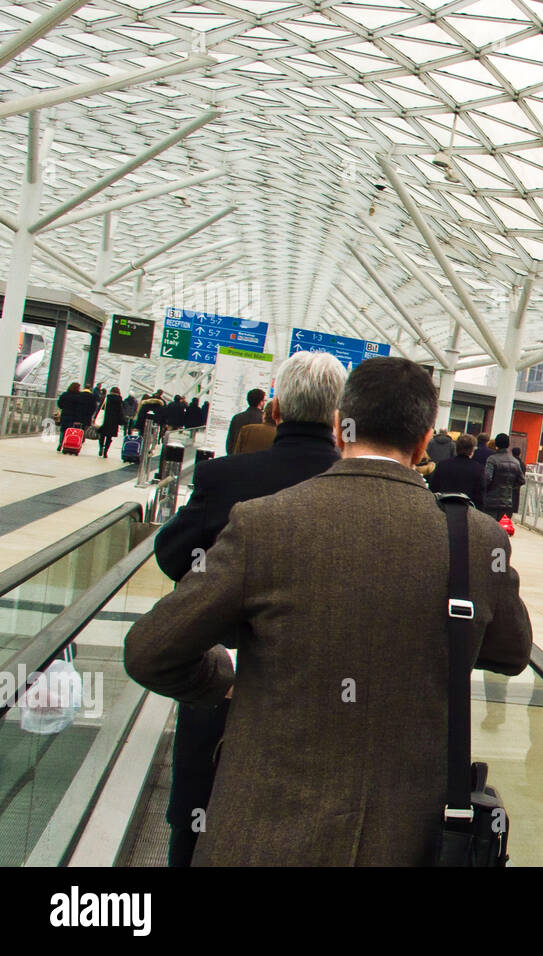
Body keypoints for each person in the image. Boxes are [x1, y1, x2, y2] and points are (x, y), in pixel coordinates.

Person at [124, 356, 533, 866]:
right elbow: (512, 653)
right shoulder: (474, 538)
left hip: (259, 833)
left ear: (341, 426)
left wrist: (224, 678)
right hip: (407, 839)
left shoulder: (263, 523)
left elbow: (149, 651)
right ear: (425, 440)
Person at [148, 350, 348, 867]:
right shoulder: (357, 492)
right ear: (337, 419)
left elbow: (174, 555)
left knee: (199, 820)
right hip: (324, 701)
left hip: (228, 692)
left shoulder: (225, 480)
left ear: (275, 410)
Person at [426, 432, 485, 509]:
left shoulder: (443, 465)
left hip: (443, 507)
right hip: (466, 510)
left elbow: (433, 487)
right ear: (472, 450)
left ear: (457, 447)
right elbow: (479, 495)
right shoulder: (478, 469)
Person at [483, 433, 525, 520]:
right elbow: (521, 480)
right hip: (507, 502)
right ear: (508, 444)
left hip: (492, 501)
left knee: (490, 528)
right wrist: (510, 487)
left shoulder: (492, 459)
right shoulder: (515, 462)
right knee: (503, 529)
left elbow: (487, 478)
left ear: (496, 444)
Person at [225, 388, 266, 455]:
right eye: (264, 400)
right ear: (260, 402)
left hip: (236, 458)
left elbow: (229, 443)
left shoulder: (237, 418)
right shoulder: (263, 419)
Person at [55, 382, 84, 451]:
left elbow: (59, 404)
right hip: (74, 416)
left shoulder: (65, 394)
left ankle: (61, 443)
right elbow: (81, 408)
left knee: (63, 430)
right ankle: (69, 444)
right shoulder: (79, 396)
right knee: (72, 431)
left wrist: (64, 408)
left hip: (65, 414)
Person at [97, 387, 124, 458]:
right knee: (109, 437)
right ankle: (106, 451)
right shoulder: (119, 400)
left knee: (102, 435)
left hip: (105, 419)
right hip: (113, 421)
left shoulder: (106, 398)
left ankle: (101, 447)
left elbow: (101, 407)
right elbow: (120, 411)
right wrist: (121, 420)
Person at [511, 447, 528, 515]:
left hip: (506, 487)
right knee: (511, 509)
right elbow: (522, 479)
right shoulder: (522, 465)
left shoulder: (510, 462)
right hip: (516, 489)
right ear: (519, 453)